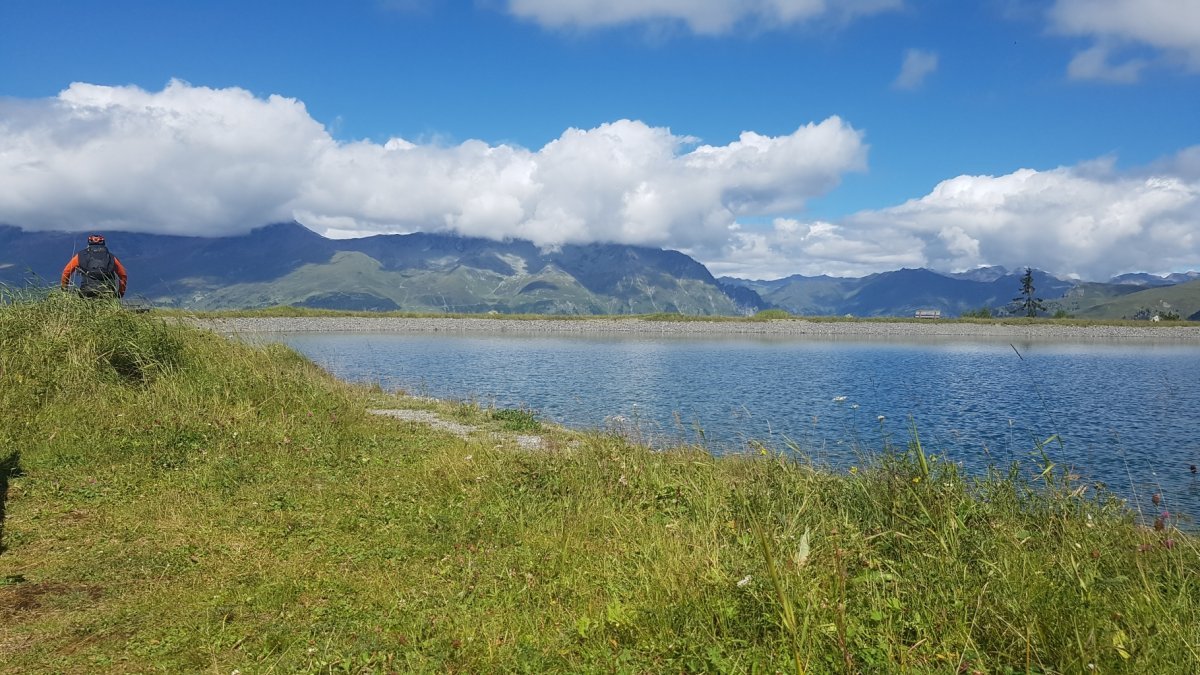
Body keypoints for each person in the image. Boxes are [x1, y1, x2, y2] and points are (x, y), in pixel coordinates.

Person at [61, 234, 128, 298]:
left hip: (87, 290)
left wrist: (64, 288)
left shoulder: (80, 255)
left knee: (86, 308)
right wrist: (120, 292)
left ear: (88, 244)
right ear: (104, 244)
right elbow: (123, 275)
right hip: (107, 291)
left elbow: (66, 272)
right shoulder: (111, 257)